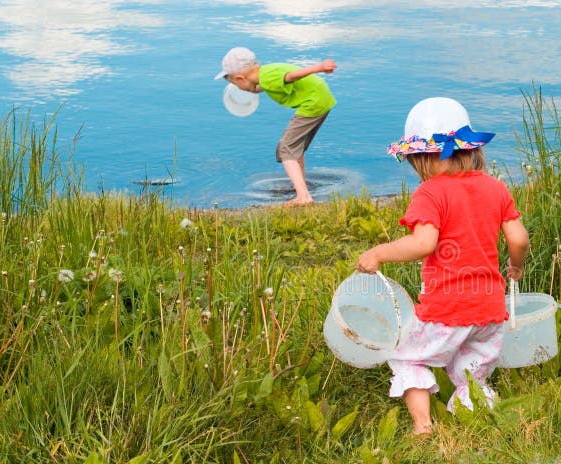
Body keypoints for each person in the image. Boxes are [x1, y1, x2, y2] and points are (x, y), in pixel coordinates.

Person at [356, 97, 530, 435]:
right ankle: (477, 416)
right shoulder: (496, 187)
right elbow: (519, 240)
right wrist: (516, 266)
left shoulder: (431, 193)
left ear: (419, 157)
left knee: (409, 357)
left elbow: (423, 244)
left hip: (447, 308)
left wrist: (378, 252)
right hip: (490, 309)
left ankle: (423, 426)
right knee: (470, 369)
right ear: (471, 149)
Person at [215, 47, 337, 206]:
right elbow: (263, 86)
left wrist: (319, 67)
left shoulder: (267, 78)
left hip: (312, 103)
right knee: (295, 147)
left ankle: (303, 196)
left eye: (236, 85)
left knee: (286, 149)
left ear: (239, 78)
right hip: (320, 99)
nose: (239, 89)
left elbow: (291, 76)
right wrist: (253, 90)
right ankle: (299, 186)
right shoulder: (265, 74)